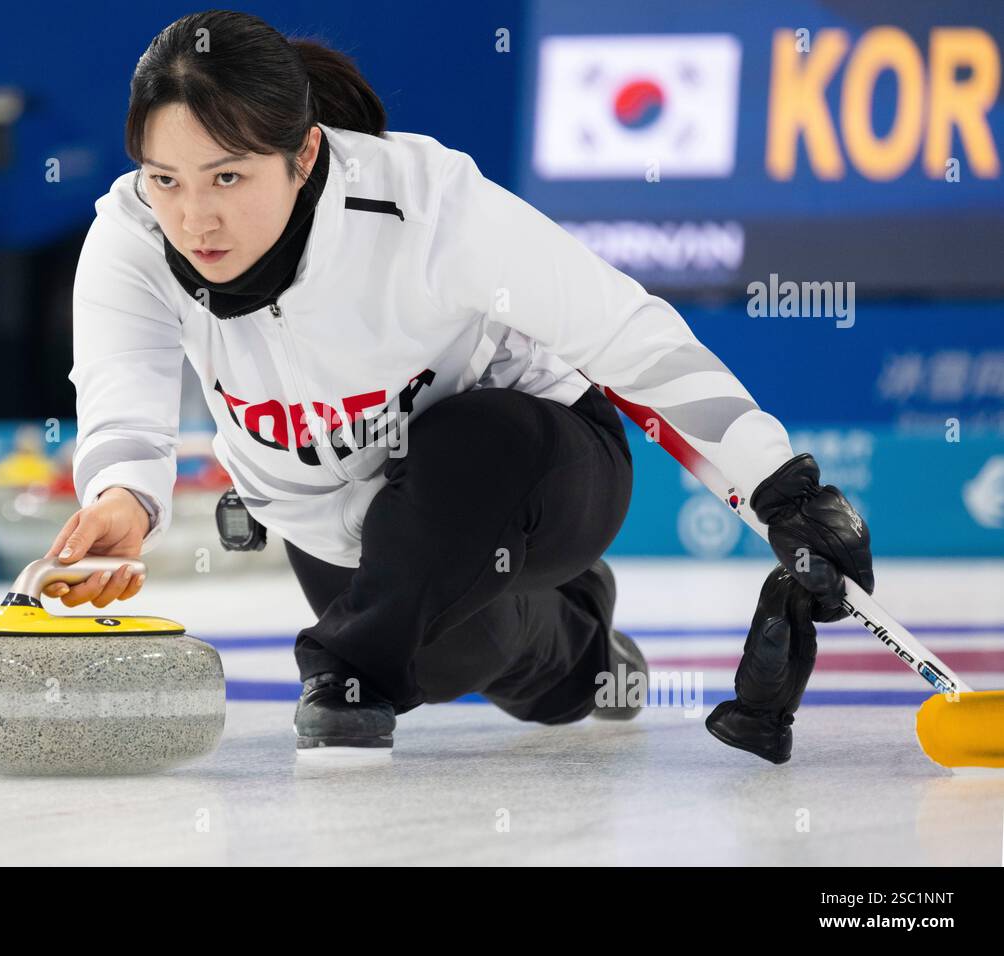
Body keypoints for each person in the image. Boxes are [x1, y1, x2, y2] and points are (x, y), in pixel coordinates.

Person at [46, 10, 874, 757]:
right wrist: (123, 496)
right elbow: (125, 396)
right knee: (467, 652)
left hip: (539, 464)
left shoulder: (427, 205)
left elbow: (625, 330)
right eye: (166, 179)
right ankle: (584, 657)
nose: (194, 219)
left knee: (460, 461)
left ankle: (347, 663)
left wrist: (782, 489)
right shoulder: (132, 238)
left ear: (304, 154)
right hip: (350, 528)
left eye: (227, 177)